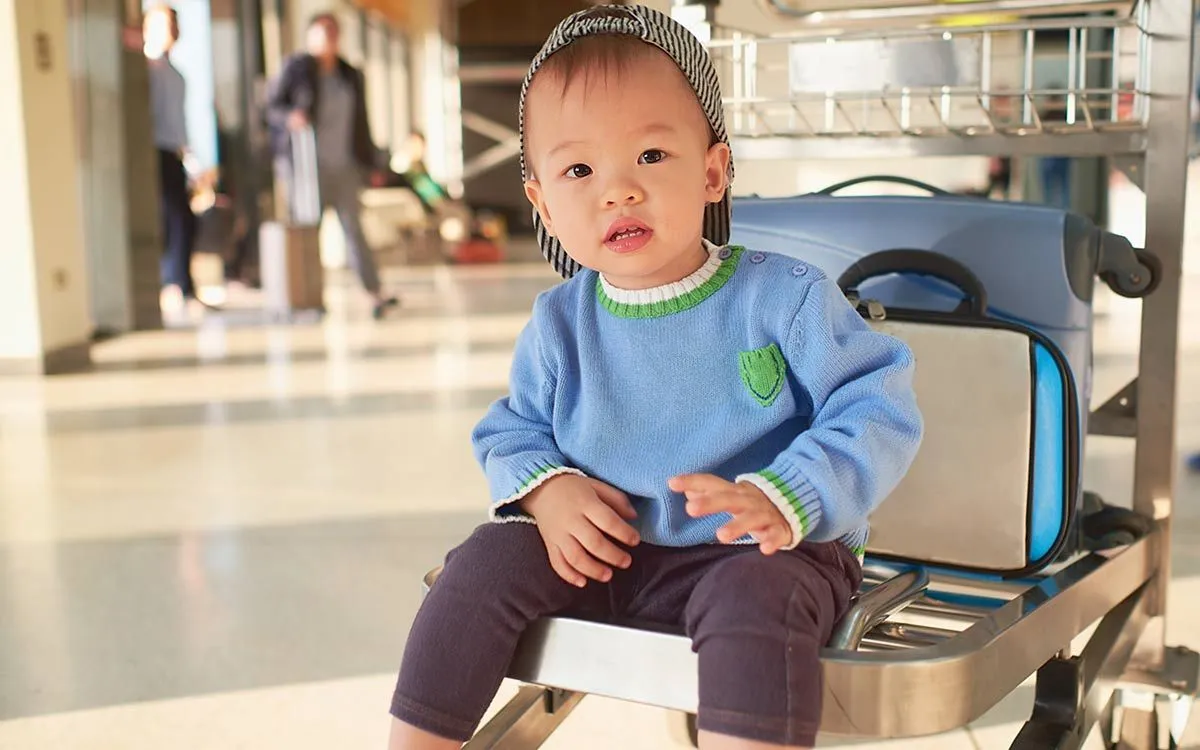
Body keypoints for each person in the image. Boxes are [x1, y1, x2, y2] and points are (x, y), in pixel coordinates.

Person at [387, 7, 924, 750]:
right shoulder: (560, 324)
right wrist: (547, 489)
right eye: (579, 170)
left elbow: (876, 403)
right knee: (483, 560)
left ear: (712, 171)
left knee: (756, 595)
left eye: (649, 157)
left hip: (759, 551)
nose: (617, 192)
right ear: (542, 200)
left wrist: (786, 494)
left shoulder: (784, 299)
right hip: (609, 559)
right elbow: (510, 429)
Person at [266, 12, 398, 319]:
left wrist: (371, 161)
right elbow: (271, 108)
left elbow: (361, 122)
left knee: (354, 230)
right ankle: (306, 298)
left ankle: (372, 292)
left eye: (334, 31)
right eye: (323, 31)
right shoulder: (296, 69)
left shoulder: (350, 75)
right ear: (310, 36)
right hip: (306, 168)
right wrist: (291, 118)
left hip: (345, 165)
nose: (329, 37)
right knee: (307, 233)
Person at [144, 4, 207, 317]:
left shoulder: (176, 75)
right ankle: (173, 285)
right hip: (151, 152)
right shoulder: (145, 70)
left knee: (184, 219)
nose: (173, 30)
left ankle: (181, 284)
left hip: (172, 153)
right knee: (172, 220)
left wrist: (193, 163)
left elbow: (179, 124)